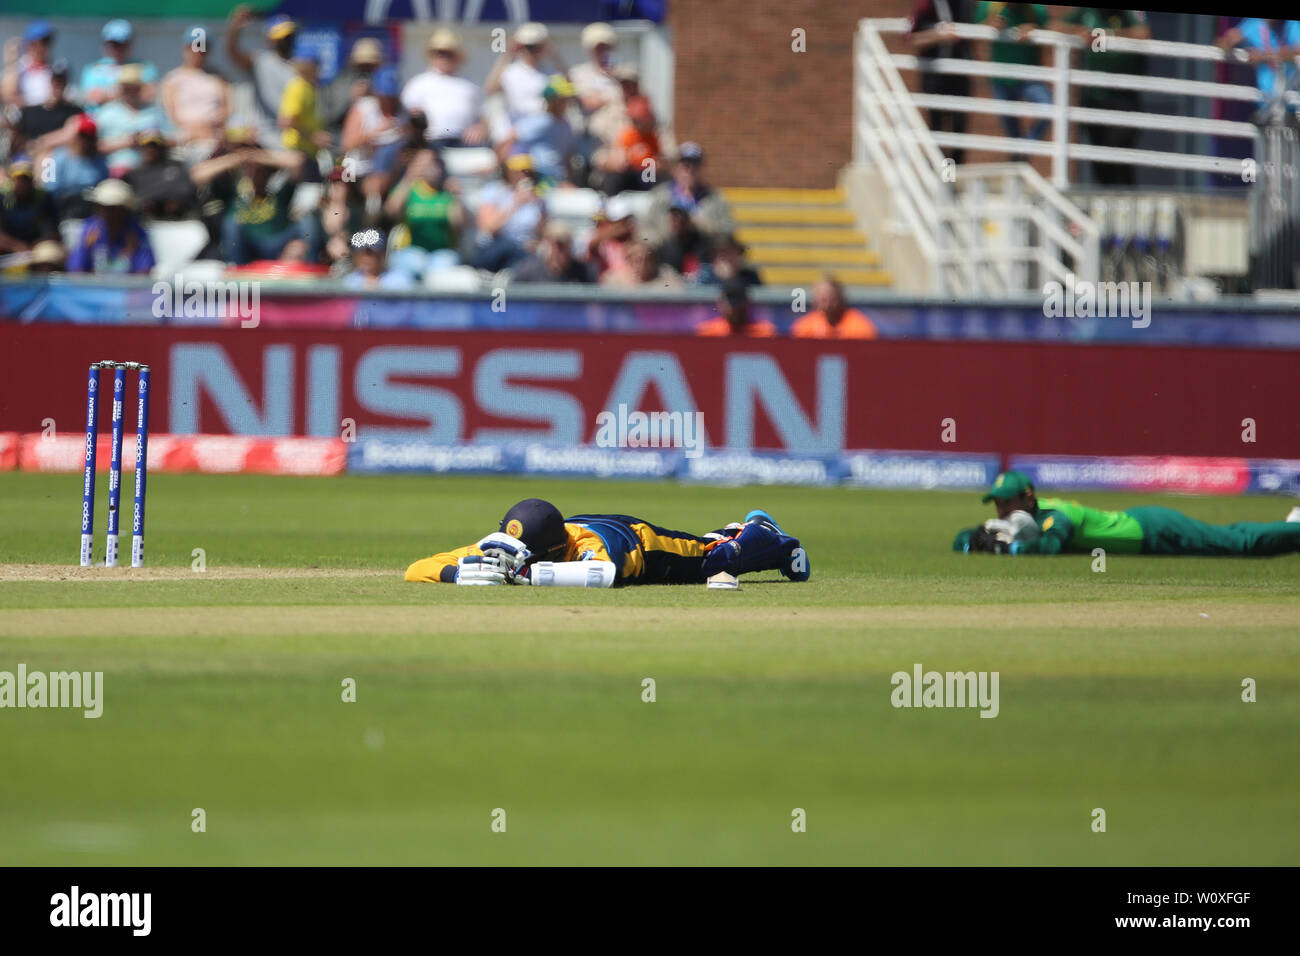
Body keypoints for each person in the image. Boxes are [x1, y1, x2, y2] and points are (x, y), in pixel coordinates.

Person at [404, 498, 810, 586]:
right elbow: (415, 568)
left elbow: (605, 572)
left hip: (642, 546)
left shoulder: (585, 547)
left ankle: (767, 534)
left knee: (714, 560)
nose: (513, 561)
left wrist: (527, 577)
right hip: (590, 527)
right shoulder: (508, 543)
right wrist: (456, 572)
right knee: (713, 555)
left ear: (554, 550)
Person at [955, 470, 1300, 556]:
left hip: (1154, 529)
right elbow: (963, 541)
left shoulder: (1055, 515)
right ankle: (1289, 525)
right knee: (1231, 535)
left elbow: (1050, 545)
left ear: (1027, 498)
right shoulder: (1030, 516)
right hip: (1146, 528)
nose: (1001, 508)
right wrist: (974, 541)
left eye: (1006, 502)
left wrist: (1010, 548)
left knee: (1237, 545)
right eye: (997, 503)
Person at [1054, 9, 1149, 186]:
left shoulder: (1131, 14)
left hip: (1124, 94)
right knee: (1099, 155)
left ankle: (1125, 198)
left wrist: (1107, 35)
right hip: (1095, 95)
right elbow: (1055, 25)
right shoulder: (1087, 13)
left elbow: (1143, 33)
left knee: (1119, 149)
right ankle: (1105, 200)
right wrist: (1080, 32)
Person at [975, 2, 1051, 154]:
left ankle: (1025, 149)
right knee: (1012, 132)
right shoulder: (988, 7)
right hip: (1001, 78)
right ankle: (1020, 155)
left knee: (1049, 109)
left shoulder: (1036, 9)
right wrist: (989, 25)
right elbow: (973, 32)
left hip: (1030, 77)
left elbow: (1051, 30)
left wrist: (1034, 29)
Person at [910, 0, 976, 165]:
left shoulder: (967, 5)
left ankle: (952, 176)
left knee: (959, 128)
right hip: (935, 74)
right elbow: (912, 38)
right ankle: (940, 174)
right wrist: (939, 36)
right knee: (938, 126)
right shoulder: (927, 5)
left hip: (960, 73)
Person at [400, 28, 487, 148]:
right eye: (440, 53)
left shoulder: (470, 86)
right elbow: (406, 119)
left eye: (449, 53)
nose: (444, 57)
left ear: (457, 56)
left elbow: (483, 119)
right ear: (432, 55)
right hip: (431, 142)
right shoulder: (418, 84)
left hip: (464, 143)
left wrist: (479, 129)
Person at [385, 149, 464, 279]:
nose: (428, 167)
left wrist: (456, 198)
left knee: (442, 269)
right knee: (414, 265)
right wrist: (409, 177)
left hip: (441, 253)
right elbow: (391, 210)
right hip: (411, 250)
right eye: (423, 163)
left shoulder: (445, 193)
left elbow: (458, 224)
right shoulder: (409, 190)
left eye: (431, 163)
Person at [485, 22, 568, 135]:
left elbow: (569, 92)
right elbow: (490, 90)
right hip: (515, 131)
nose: (532, 51)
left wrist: (555, 56)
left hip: (543, 130)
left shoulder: (553, 73)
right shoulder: (509, 72)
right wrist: (508, 54)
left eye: (537, 47)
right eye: (528, 47)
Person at [161, 25, 230, 160]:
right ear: (184, 49)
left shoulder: (219, 78)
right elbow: (171, 113)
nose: (197, 52)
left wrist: (210, 129)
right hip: (183, 140)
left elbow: (226, 109)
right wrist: (193, 131)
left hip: (212, 138)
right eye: (193, 47)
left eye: (202, 48)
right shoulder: (172, 79)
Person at [643, 142, 733, 244]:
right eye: (685, 166)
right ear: (676, 167)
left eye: (695, 166)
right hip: (666, 251)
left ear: (702, 169)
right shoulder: (661, 195)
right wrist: (669, 230)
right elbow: (646, 231)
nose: (690, 170)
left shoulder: (714, 198)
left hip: (702, 251)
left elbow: (728, 231)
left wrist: (700, 224)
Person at [226, 8, 299, 132]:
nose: (286, 40)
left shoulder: (302, 66)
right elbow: (233, 53)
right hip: (266, 136)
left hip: (295, 136)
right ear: (270, 39)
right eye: (281, 37)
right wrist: (235, 28)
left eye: (288, 36)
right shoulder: (261, 61)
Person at [500, 75, 578, 188]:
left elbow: (568, 157)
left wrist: (569, 180)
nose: (566, 102)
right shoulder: (541, 121)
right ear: (553, 100)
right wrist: (505, 174)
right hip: (539, 177)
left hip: (558, 178)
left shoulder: (566, 125)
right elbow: (510, 139)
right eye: (563, 99)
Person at [94, 64, 172, 177]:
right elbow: (92, 147)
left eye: (134, 87)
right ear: (120, 89)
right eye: (126, 87)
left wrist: (153, 139)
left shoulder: (154, 112)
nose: (130, 91)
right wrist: (127, 142)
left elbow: (174, 139)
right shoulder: (106, 112)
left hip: (151, 171)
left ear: (140, 88)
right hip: (116, 172)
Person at [471, 154, 544, 272]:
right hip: (496, 247)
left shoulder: (539, 199)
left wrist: (538, 207)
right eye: (518, 171)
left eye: (527, 171)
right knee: (510, 247)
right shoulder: (494, 191)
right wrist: (515, 204)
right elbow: (488, 228)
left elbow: (541, 233)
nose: (523, 175)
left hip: (524, 250)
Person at [66, 179, 155, 275]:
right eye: (101, 207)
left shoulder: (137, 233)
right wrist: (86, 248)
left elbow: (144, 272)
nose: (105, 213)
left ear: (124, 210)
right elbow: (75, 270)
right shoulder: (90, 229)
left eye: (112, 209)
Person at [1217, 19, 1300, 121]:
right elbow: (1223, 43)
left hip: (1292, 104)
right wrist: (1228, 42)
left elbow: (1298, 51)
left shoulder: (1291, 25)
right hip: (1266, 106)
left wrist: (1263, 56)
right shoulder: (1254, 24)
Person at [80, 19, 159, 111]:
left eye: (122, 44)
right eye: (114, 44)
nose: (118, 49)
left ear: (130, 44)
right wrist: (129, 92)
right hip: (102, 121)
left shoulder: (144, 67)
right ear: (105, 44)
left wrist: (109, 94)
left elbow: (150, 94)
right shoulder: (93, 68)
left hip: (137, 119)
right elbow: (93, 97)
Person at [12, 59, 81, 157]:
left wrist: (41, 143)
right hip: (28, 159)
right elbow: (16, 133)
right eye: (56, 81)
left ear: (66, 82)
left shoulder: (74, 112)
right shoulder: (30, 111)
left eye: (62, 81)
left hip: (58, 159)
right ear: (50, 81)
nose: (58, 85)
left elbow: (72, 132)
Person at [125, 129, 198, 219]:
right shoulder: (134, 173)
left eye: (154, 146)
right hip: (146, 220)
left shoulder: (176, 167)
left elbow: (186, 190)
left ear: (162, 148)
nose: (150, 149)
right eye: (146, 146)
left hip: (178, 218)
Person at [278, 43, 328, 172]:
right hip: (297, 151)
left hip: (309, 151)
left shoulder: (311, 87)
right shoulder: (298, 87)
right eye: (314, 64)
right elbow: (287, 121)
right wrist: (312, 136)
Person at [48, 114, 110, 218]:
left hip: (92, 210)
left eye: (90, 137)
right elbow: (50, 191)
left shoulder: (100, 160)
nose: (86, 141)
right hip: (64, 210)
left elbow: (104, 187)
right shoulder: (53, 158)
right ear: (75, 136)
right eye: (83, 136)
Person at [790, 277, 880, 339]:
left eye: (830, 297)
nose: (827, 303)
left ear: (839, 297)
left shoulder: (858, 325)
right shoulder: (805, 327)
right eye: (822, 298)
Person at [0, 159, 58, 253]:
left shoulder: (43, 198)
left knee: (50, 251)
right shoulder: (2, 198)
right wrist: (16, 246)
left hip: (36, 247)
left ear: (32, 181)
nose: (21, 184)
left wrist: (34, 246)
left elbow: (52, 232)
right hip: (9, 246)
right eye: (17, 180)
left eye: (25, 180)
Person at [510, 221, 591, 282]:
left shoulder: (584, 272)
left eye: (561, 245)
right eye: (553, 244)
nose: (556, 250)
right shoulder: (528, 270)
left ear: (569, 246)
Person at [2, 20, 56, 108]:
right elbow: (7, 95)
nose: (42, 47)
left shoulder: (56, 68)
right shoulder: (18, 67)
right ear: (29, 44)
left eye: (46, 42)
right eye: (38, 42)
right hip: (22, 117)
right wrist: (11, 61)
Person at [695, 279, 776, 337]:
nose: (734, 305)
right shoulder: (707, 332)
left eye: (738, 299)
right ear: (720, 302)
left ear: (747, 302)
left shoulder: (763, 332)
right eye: (730, 299)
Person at [342, 228, 414, 290]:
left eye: (371, 252)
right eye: (362, 252)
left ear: (382, 254)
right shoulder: (350, 282)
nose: (366, 257)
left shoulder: (399, 281)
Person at [599, 240, 683, 289]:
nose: (642, 264)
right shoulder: (614, 279)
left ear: (654, 261)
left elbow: (680, 297)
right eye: (637, 260)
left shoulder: (667, 276)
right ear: (628, 261)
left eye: (647, 259)